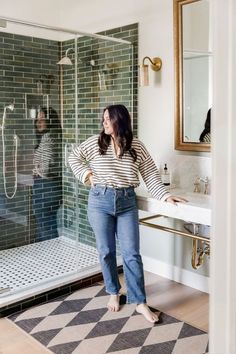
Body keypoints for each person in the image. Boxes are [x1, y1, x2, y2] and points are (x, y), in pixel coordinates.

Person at [68, 104, 186, 323]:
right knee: (106, 251)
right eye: (103, 118)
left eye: (107, 119)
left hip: (127, 202)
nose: (103, 122)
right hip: (99, 200)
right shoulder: (96, 142)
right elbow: (73, 158)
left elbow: (150, 174)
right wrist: (88, 176)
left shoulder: (136, 145)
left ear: (119, 121)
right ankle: (114, 292)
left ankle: (139, 301)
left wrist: (165, 196)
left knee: (132, 253)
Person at [32, 107, 62, 242]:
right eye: (37, 120)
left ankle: (53, 259)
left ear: (51, 121)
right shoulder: (54, 136)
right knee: (46, 226)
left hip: (45, 186)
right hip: (52, 186)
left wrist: (36, 169)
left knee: (45, 228)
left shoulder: (48, 137)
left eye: (42, 120)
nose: (38, 123)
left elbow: (45, 169)